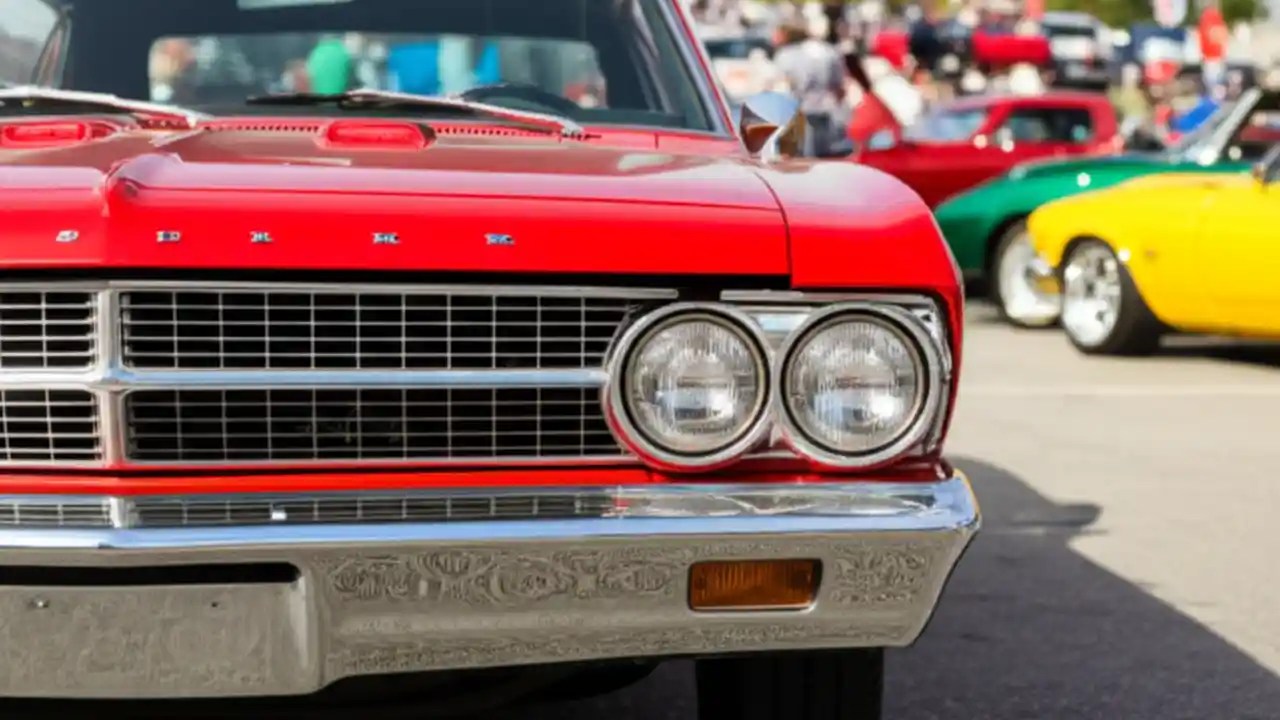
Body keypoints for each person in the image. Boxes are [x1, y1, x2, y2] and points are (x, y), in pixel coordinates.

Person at [772, 17, 848, 156]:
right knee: (823, 155)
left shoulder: (785, 55)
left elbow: (781, 86)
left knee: (797, 158)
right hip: (824, 109)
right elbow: (839, 86)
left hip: (798, 111)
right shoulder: (828, 51)